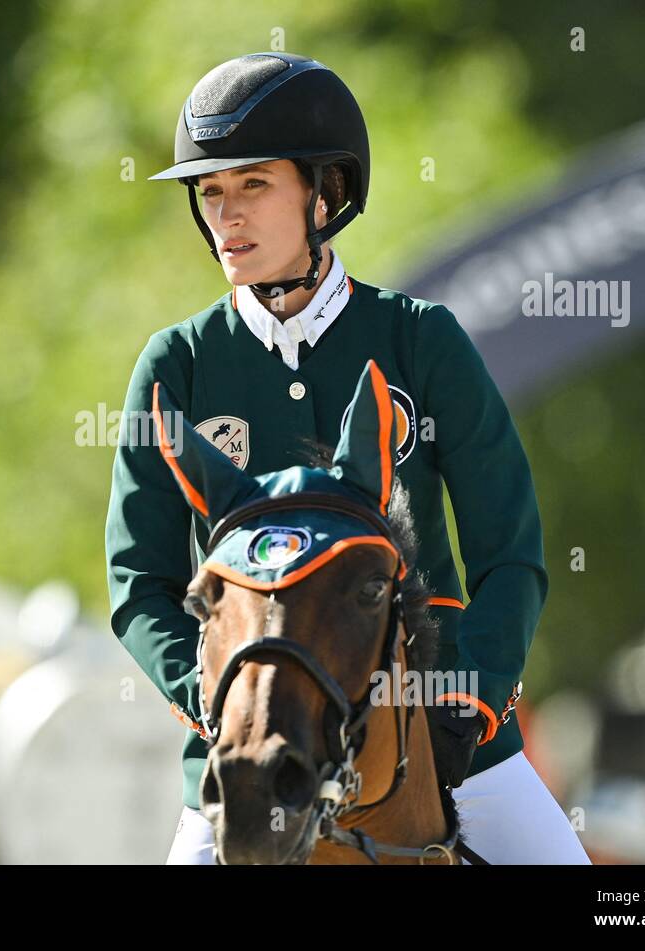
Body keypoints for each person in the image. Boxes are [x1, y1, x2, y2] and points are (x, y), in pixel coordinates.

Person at [103, 52, 589, 864]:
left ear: (323, 193)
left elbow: (510, 554)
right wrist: (217, 697)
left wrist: (470, 692)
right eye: (211, 193)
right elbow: (138, 582)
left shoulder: (420, 338)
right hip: (251, 756)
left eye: (253, 185)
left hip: (443, 744)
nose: (227, 216)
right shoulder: (175, 364)